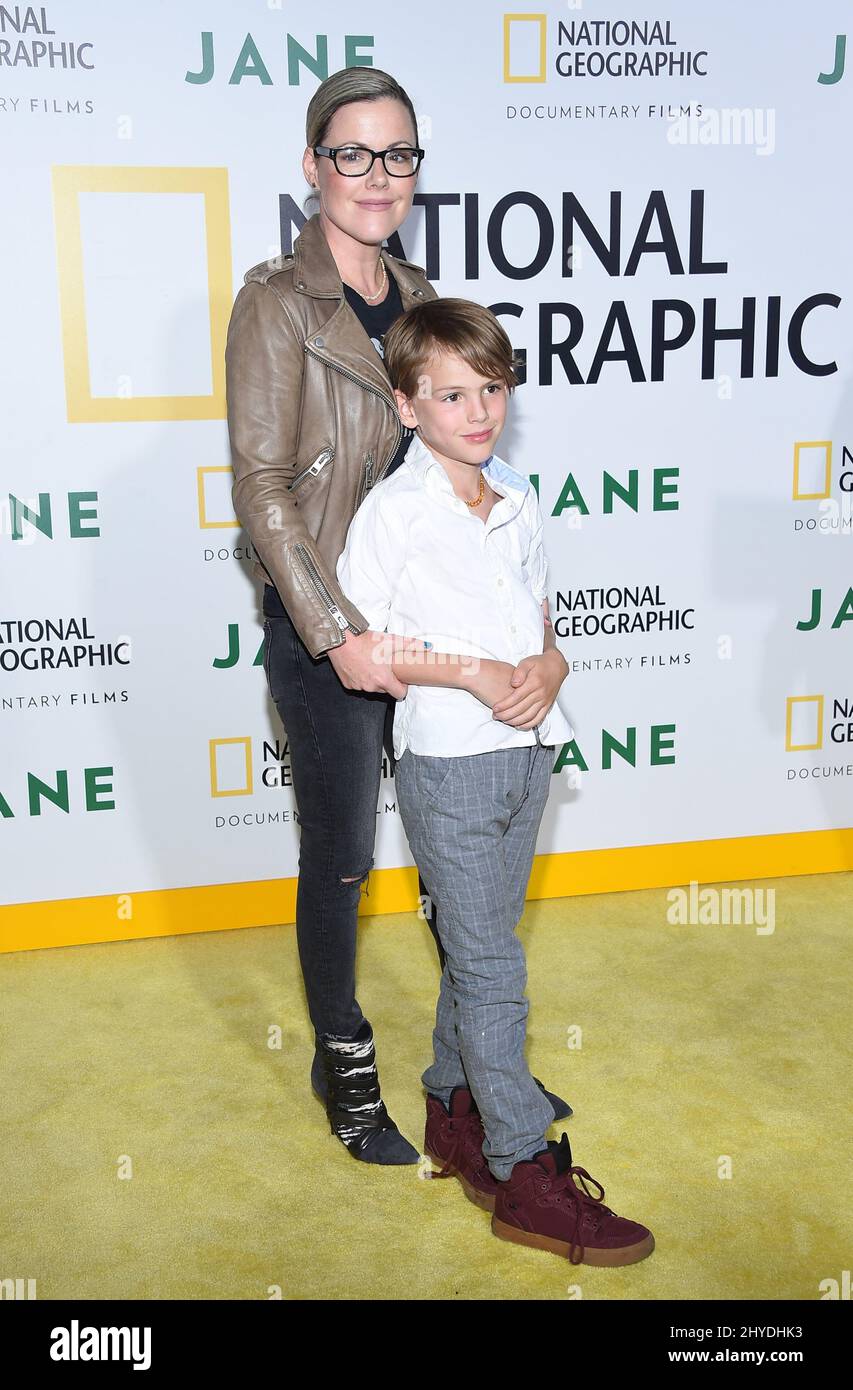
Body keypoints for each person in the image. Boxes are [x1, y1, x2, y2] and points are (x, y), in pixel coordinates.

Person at [225, 65, 570, 1168]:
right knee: (340, 856)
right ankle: (344, 1057)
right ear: (314, 165)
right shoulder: (277, 302)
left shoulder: (421, 299)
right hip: (323, 621)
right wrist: (336, 630)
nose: (378, 176)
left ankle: (473, 1058)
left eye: (399, 154)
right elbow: (262, 485)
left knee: (452, 851)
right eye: (354, 154)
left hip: (423, 635)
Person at [336, 297, 655, 1265]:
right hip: (452, 763)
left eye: (491, 388)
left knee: (482, 943)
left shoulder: (514, 490)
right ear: (406, 405)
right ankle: (521, 1167)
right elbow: (363, 646)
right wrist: (468, 671)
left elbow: (542, 618)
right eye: (451, 394)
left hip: (531, 749)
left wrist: (551, 668)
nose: (477, 410)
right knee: (489, 965)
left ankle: (450, 1100)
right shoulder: (393, 512)